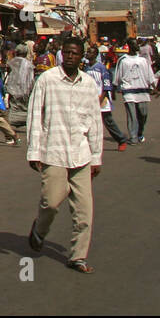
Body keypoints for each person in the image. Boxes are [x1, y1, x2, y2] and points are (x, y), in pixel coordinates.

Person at [26, 36, 103, 274]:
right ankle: (39, 230)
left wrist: (96, 156)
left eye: (75, 53)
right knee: (51, 203)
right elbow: (35, 115)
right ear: (61, 54)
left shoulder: (89, 84)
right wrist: (33, 150)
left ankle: (77, 256)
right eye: (67, 53)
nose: (70, 57)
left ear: (82, 57)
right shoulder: (47, 80)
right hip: (54, 152)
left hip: (81, 154)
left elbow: (95, 120)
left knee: (84, 212)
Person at [84, 44, 128, 150]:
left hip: (101, 99)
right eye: (87, 51)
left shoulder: (101, 68)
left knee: (108, 121)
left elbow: (106, 84)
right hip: (89, 99)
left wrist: (101, 98)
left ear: (95, 55)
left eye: (90, 52)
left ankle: (121, 140)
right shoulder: (85, 68)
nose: (87, 53)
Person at [113, 38, 156, 144]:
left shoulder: (143, 60)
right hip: (128, 91)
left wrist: (154, 87)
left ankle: (139, 133)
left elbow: (150, 75)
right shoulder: (123, 60)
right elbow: (117, 77)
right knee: (132, 115)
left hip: (142, 90)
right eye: (134, 44)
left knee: (143, 114)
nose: (137, 46)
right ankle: (133, 137)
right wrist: (113, 89)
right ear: (129, 46)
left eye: (137, 44)